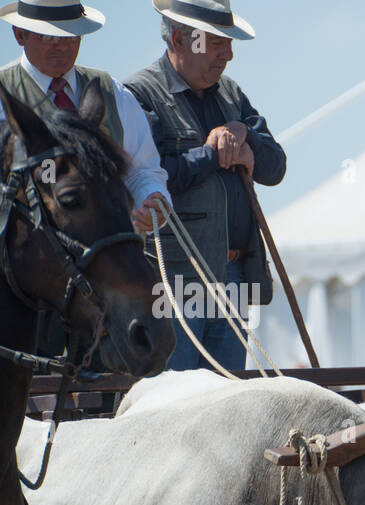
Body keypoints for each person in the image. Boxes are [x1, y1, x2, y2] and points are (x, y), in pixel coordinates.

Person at [0, 0, 171, 358]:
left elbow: (143, 170)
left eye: (72, 36)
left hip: (101, 290)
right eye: (51, 37)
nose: (63, 45)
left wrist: (151, 200)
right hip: (19, 297)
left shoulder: (115, 95)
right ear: (19, 33)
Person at [125, 0, 285, 373]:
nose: (228, 54)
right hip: (175, 279)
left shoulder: (232, 95)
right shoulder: (138, 94)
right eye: (216, 43)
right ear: (180, 40)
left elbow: (276, 167)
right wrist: (212, 153)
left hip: (233, 274)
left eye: (228, 43)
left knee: (228, 403)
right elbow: (148, 176)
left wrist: (247, 138)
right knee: (177, 404)